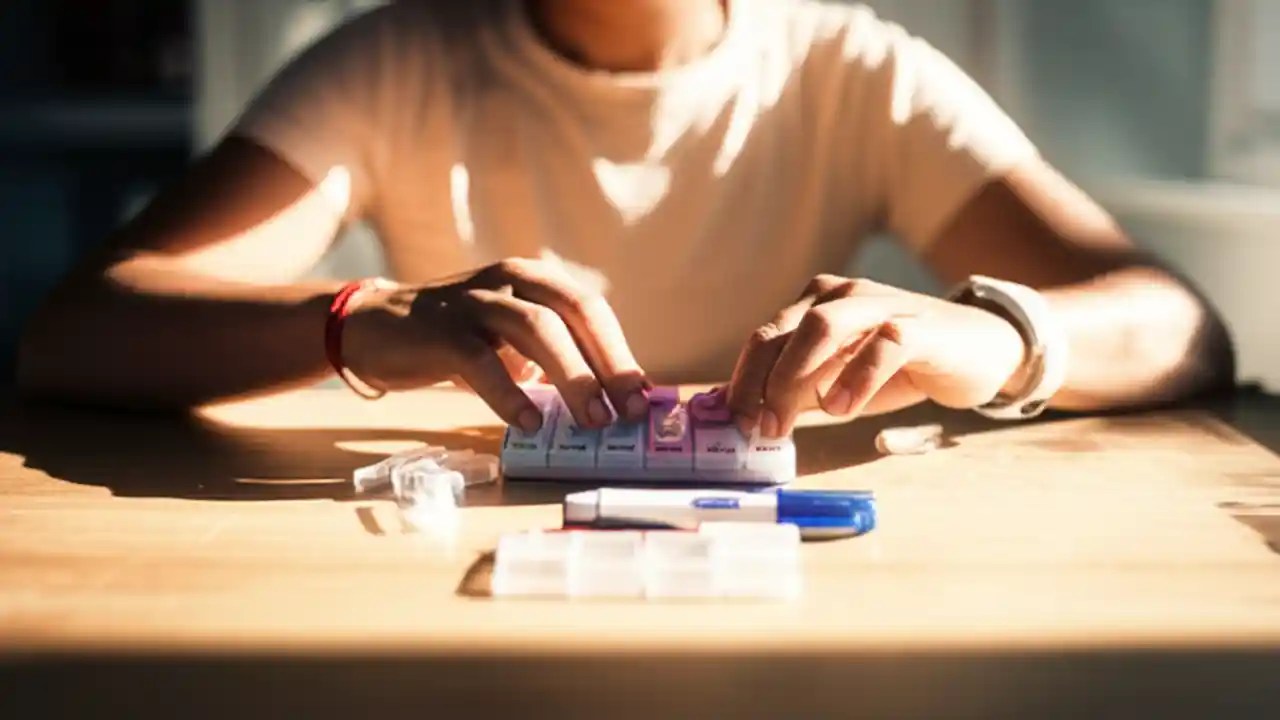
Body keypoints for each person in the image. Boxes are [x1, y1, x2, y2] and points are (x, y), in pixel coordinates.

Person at [17, 0, 1233, 440]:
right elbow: (78, 331)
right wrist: (369, 318)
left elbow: (1177, 326)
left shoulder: (856, 71)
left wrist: (994, 340)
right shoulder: (390, 60)